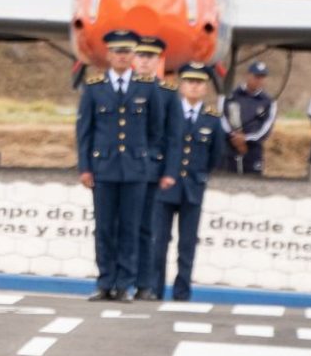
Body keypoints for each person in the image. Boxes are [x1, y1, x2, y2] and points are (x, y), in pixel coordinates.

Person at [76, 29, 170, 302]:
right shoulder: (94, 87)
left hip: (135, 170)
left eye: (127, 52)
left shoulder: (147, 87)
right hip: (103, 168)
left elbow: (156, 130)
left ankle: (124, 284)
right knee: (104, 228)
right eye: (117, 52)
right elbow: (85, 130)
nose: (122, 56)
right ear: (109, 55)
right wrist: (85, 167)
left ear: (132, 56)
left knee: (130, 228)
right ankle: (105, 281)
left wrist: (146, 157)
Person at [148, 63, 226, 301]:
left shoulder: (212, 119)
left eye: (199, 83)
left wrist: (198, 175)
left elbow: (216, 155)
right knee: (158, 241)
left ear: (205, 88)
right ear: (181, 85)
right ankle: (154, 289)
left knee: (187, 244)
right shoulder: (168, 113)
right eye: (190, 81)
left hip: (193, 188)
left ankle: (182, 291)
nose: (194, 86)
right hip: (166, 187)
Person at [130, 34, 178, 300]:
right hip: (123, 170)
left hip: (150, 171)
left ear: (158, 61)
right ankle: (120, 279)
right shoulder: (124, 89)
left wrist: (169, 171)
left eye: (150, 57)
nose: (145, 61)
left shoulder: (167, 93)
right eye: (141, 56)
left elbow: (174, 136)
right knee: (121, 227)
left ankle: (143, 284)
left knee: (147, 228)